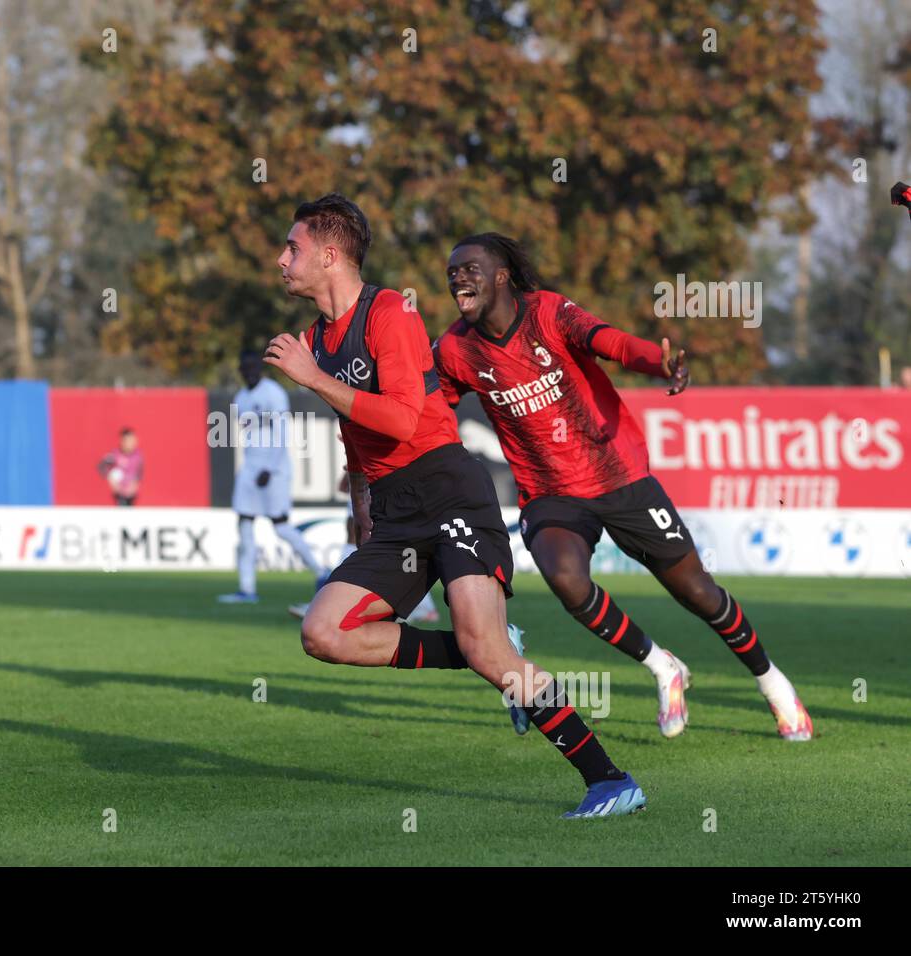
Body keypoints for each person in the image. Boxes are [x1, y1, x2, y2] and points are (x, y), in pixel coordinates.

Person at [264, 193, 645, 818]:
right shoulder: (317, 338)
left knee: (490, 654)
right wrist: (360, 498)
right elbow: (355, 431)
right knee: (323, 632)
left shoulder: (390, 312)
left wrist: (312, 379)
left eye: (293, 247)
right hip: (393, 509)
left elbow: (401, 416)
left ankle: (610, 780)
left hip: (448, 492)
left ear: (329, 255)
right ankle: (487, 645)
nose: (282, 259)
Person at [432, 233, 811, 740]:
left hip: (619, 475)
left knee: (699, 593)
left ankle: (772, 683)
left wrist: (659, 363)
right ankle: (662, 666)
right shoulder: (456, 348)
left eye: (469, 268)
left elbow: (609, 341)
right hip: (550, 491)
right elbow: (432, 411)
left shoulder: (548, 312)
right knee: (567, 581)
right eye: (452, 270)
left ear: (501, 276)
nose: (458, 276)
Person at [218, 350, 329, 604]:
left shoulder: (273, 393)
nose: (248, 371)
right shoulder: (241, 398)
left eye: (252, 367)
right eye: (244, 368)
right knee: (244, 524)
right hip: (250, 468)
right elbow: (248, 436)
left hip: (273, 469)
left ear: (260, 368)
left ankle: (320, 571)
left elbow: (281, 433)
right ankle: (247, 589)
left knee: (280, 526)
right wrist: (252, 466)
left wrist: (270, 467)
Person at [287, 467, 439, 624]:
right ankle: (330, 602)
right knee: (358, 533)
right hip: (369, 476)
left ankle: (328, 603)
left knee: (385, 537)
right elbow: (344, 486)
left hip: (379, 476)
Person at [98, 428, 143, 506]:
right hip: (119, 493)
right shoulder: (115, 454)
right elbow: (101, 466)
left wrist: (135, 484)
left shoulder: (138, 456)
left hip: (131, 492)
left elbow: (140, 472)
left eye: (132, 440)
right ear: (122, 441)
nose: (130, 443)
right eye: (127, 441)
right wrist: (111, 479)